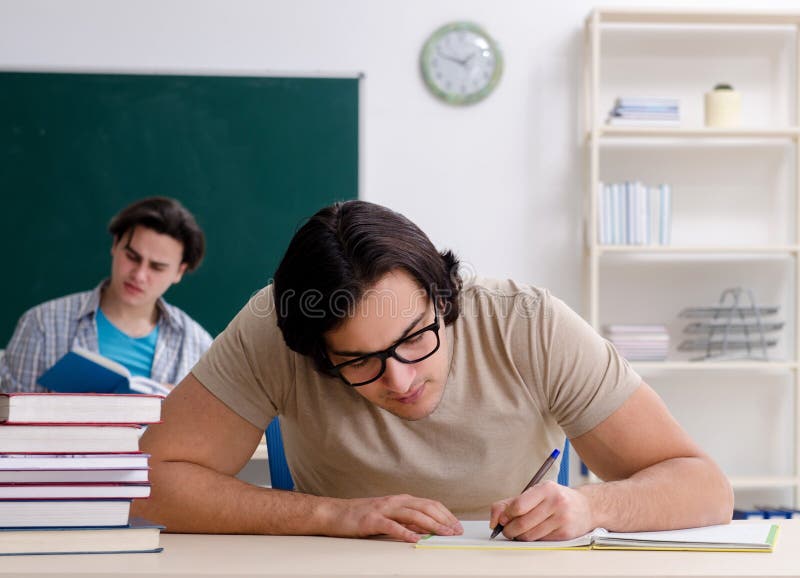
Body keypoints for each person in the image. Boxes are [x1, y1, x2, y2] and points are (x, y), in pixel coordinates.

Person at [134, 200, 733, 543]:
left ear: (445, 297)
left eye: (414, 338)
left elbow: (705, 487)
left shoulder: (530, 324)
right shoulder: (275, 324)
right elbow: (148, 483)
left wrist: (594, 507)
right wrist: (331, 514)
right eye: (358, 361)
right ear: (316, 352)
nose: (399, 381)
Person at [0, 197, 213, 394]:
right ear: (115, 244)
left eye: (157, 267)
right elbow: (10, 417)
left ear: (179, 272)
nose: (139, 275)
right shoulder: (42, 325)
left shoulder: (198, 346)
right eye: (132, 257)